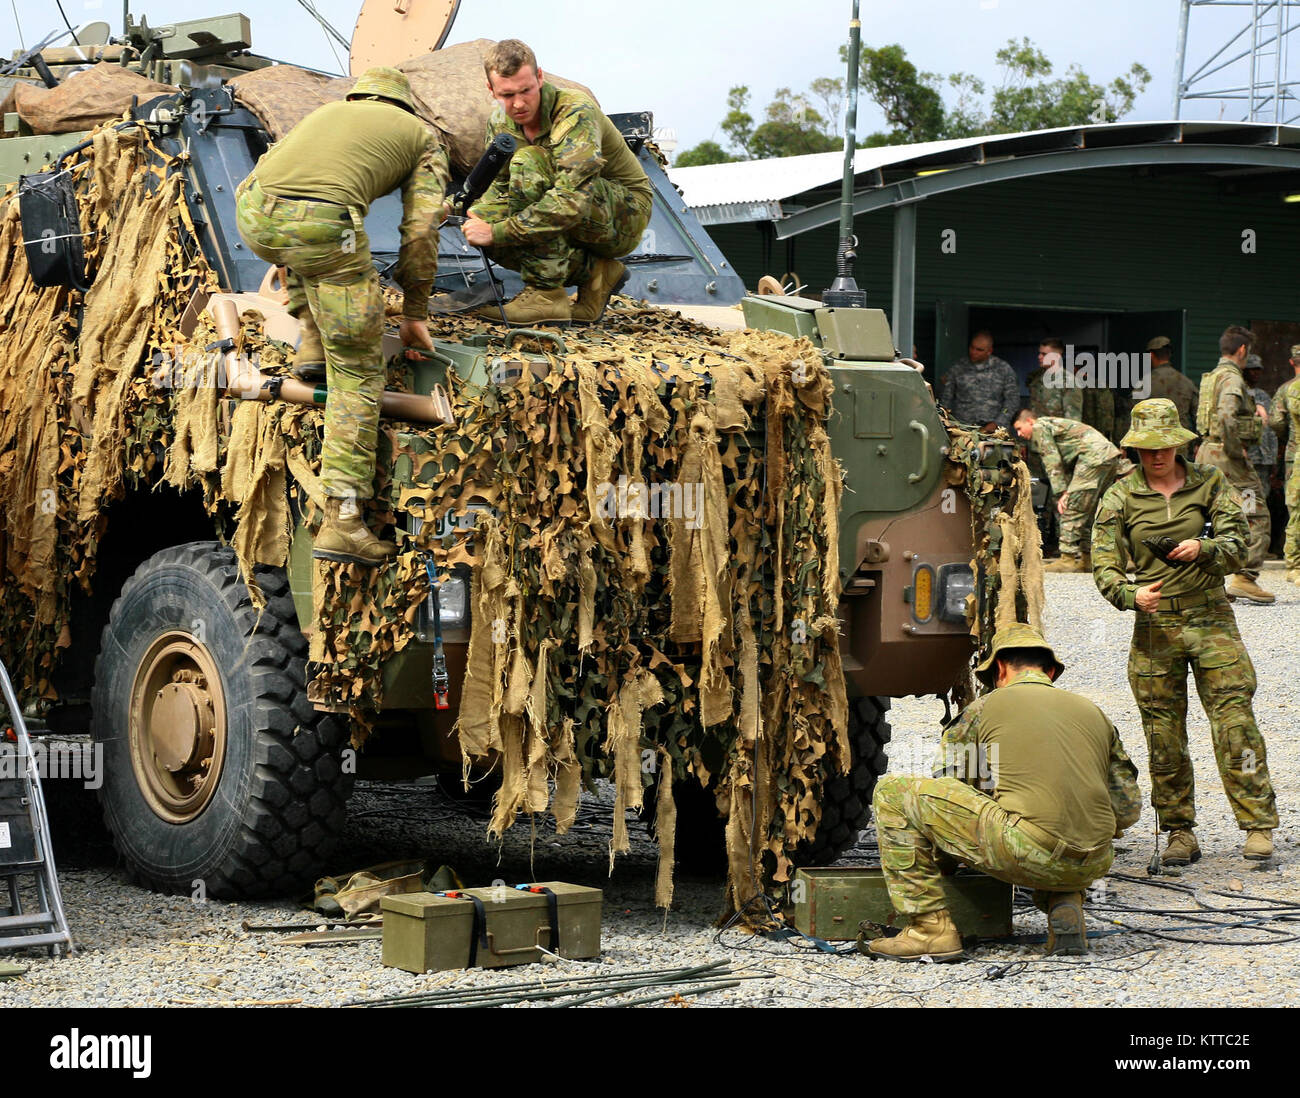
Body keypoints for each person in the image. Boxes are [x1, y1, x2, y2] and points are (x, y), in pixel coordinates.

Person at [236, 67, 449, 567]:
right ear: (404, 105)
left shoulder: (328, 113)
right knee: (357, 370)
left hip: (253, 213)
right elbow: (420, 232)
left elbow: (284, 192)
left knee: (307, 246)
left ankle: (311, 346)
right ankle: (344, 521)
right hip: (324, 225)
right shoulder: (421, 135)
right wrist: (415, 312)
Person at [868, 624, 1141, 963]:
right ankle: (1064, 898)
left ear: (999, 668)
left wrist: (944, 861)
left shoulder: (982, 710)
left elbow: (949, 789)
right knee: (1051, 819)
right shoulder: (1094, 712)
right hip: (1094, 862)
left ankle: (929, 930)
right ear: (1051, 671)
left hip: (1027, 852)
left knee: (894, 792)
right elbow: (1128, 809)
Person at [1092, 398, 1278, 867]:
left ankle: (1257, 824)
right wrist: (1129, 595)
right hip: (1155, 626)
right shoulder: (1120, 495)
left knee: (1236, 722)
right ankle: (1179, 830)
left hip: (1210, 617)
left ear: (1181, 444)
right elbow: (1103, 566)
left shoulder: (1209, 482)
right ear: (1134, 450)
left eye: (1166, 447)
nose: (1157, 457)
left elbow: (1241, 545)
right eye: (1147, 450)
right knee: (1163, 734)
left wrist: (1205, 548)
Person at [464, 39, 653, 326]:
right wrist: (462, 211)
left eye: (526, 90)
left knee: (528, 164)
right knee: (479, 221)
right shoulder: (501, 122)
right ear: (491, 90)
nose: (518, 103)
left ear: (540, 78)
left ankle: (546, 295)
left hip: (624, 213)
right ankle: (596, 273)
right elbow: (499, 189)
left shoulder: (574, 111)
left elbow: (570, 200)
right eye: (507, 94)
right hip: (573, 210)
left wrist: (500, 231)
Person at [1194, 327, 1274, 604]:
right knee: (1254, 514)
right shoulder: (1231, 378)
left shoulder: (1211, 377)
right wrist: (1237, 449)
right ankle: (1245, 577)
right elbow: (1227, 415)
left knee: (1212, 515)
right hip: (1229, 460)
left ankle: (1206, 581)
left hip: (1207, 452)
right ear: (1242, 350)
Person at [1013, 409, 1133, 573]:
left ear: (1030, 422)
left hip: (1093, 457)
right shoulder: (1052, 424)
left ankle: (1067, 559)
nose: (1019, 434)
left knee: (1072, 507)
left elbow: (1052, 460)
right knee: (1090, 511)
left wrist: (1063, 492)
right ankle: (1088, 558)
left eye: (1020, 428)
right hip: (1107, 456)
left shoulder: (1040, 427)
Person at [939, 331, 1020, 431]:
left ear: (989, 351)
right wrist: (947, 423)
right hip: (963, 429)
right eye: (972, 347)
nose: (974, 352)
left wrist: (998, 422)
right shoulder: (958, 368)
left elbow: (1012, 401)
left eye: (979, 350)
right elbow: (946, 399)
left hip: (994, 430)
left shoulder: (1003, 369)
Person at [1267, 345, 1300, 581]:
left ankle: (1293, 562)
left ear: (1291, 362)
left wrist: (1287, 435)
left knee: (1295, 507)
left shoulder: (1285, 389)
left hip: (1293, 453)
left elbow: (1276, 422)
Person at [1141, 336, 1198, 437]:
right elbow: (1198, 417)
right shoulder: (1187, 383)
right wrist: (1198, 443)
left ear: (1151, 355)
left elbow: (1132, 416)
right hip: (1181, 444)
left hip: (1152, 444)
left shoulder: (1144, 384)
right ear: (1169, 354)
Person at [1242, 354, 1278, 509]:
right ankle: (1249, 530)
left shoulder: (1263, 395)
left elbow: (1272, 427)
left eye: (1258, 370)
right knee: (1248, 502)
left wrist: (1274, 457)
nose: (1256, 373)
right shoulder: (1239, 393)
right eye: (1252, 370)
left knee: (1263, 498)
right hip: (1249, 456)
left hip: (1264, 458)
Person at [1027, 337, 1082, 420]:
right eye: (1039, 353)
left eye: (1044, 354)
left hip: (1058, 431)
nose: (1039, 357)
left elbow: (1073, 419)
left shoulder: (1069, 381)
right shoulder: (1036, 380)